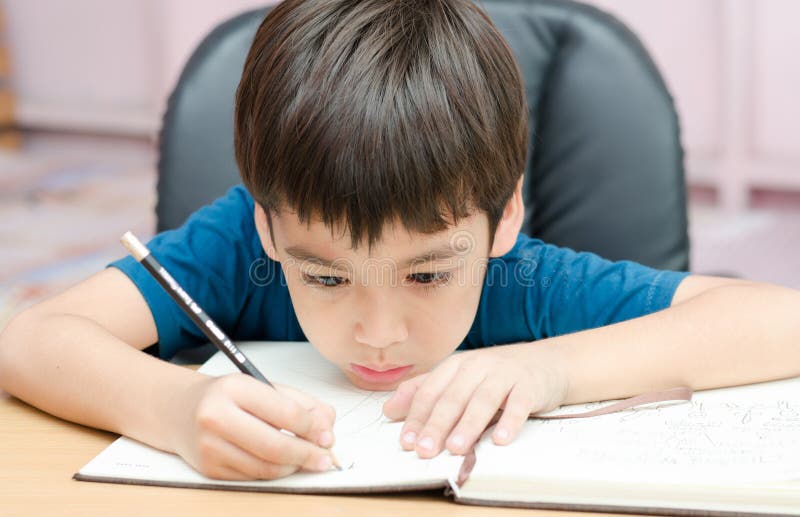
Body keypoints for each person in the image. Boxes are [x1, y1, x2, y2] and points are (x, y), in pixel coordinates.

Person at [1, 0, 799, 482]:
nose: (378, 333)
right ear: (268, 227)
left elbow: (780, 321)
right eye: (325, 278)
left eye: (424, 276)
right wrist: (173, 407)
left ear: (504, 217)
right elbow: (30, 340)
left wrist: (552, 366)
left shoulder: (522, 281)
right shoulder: (229, 252)